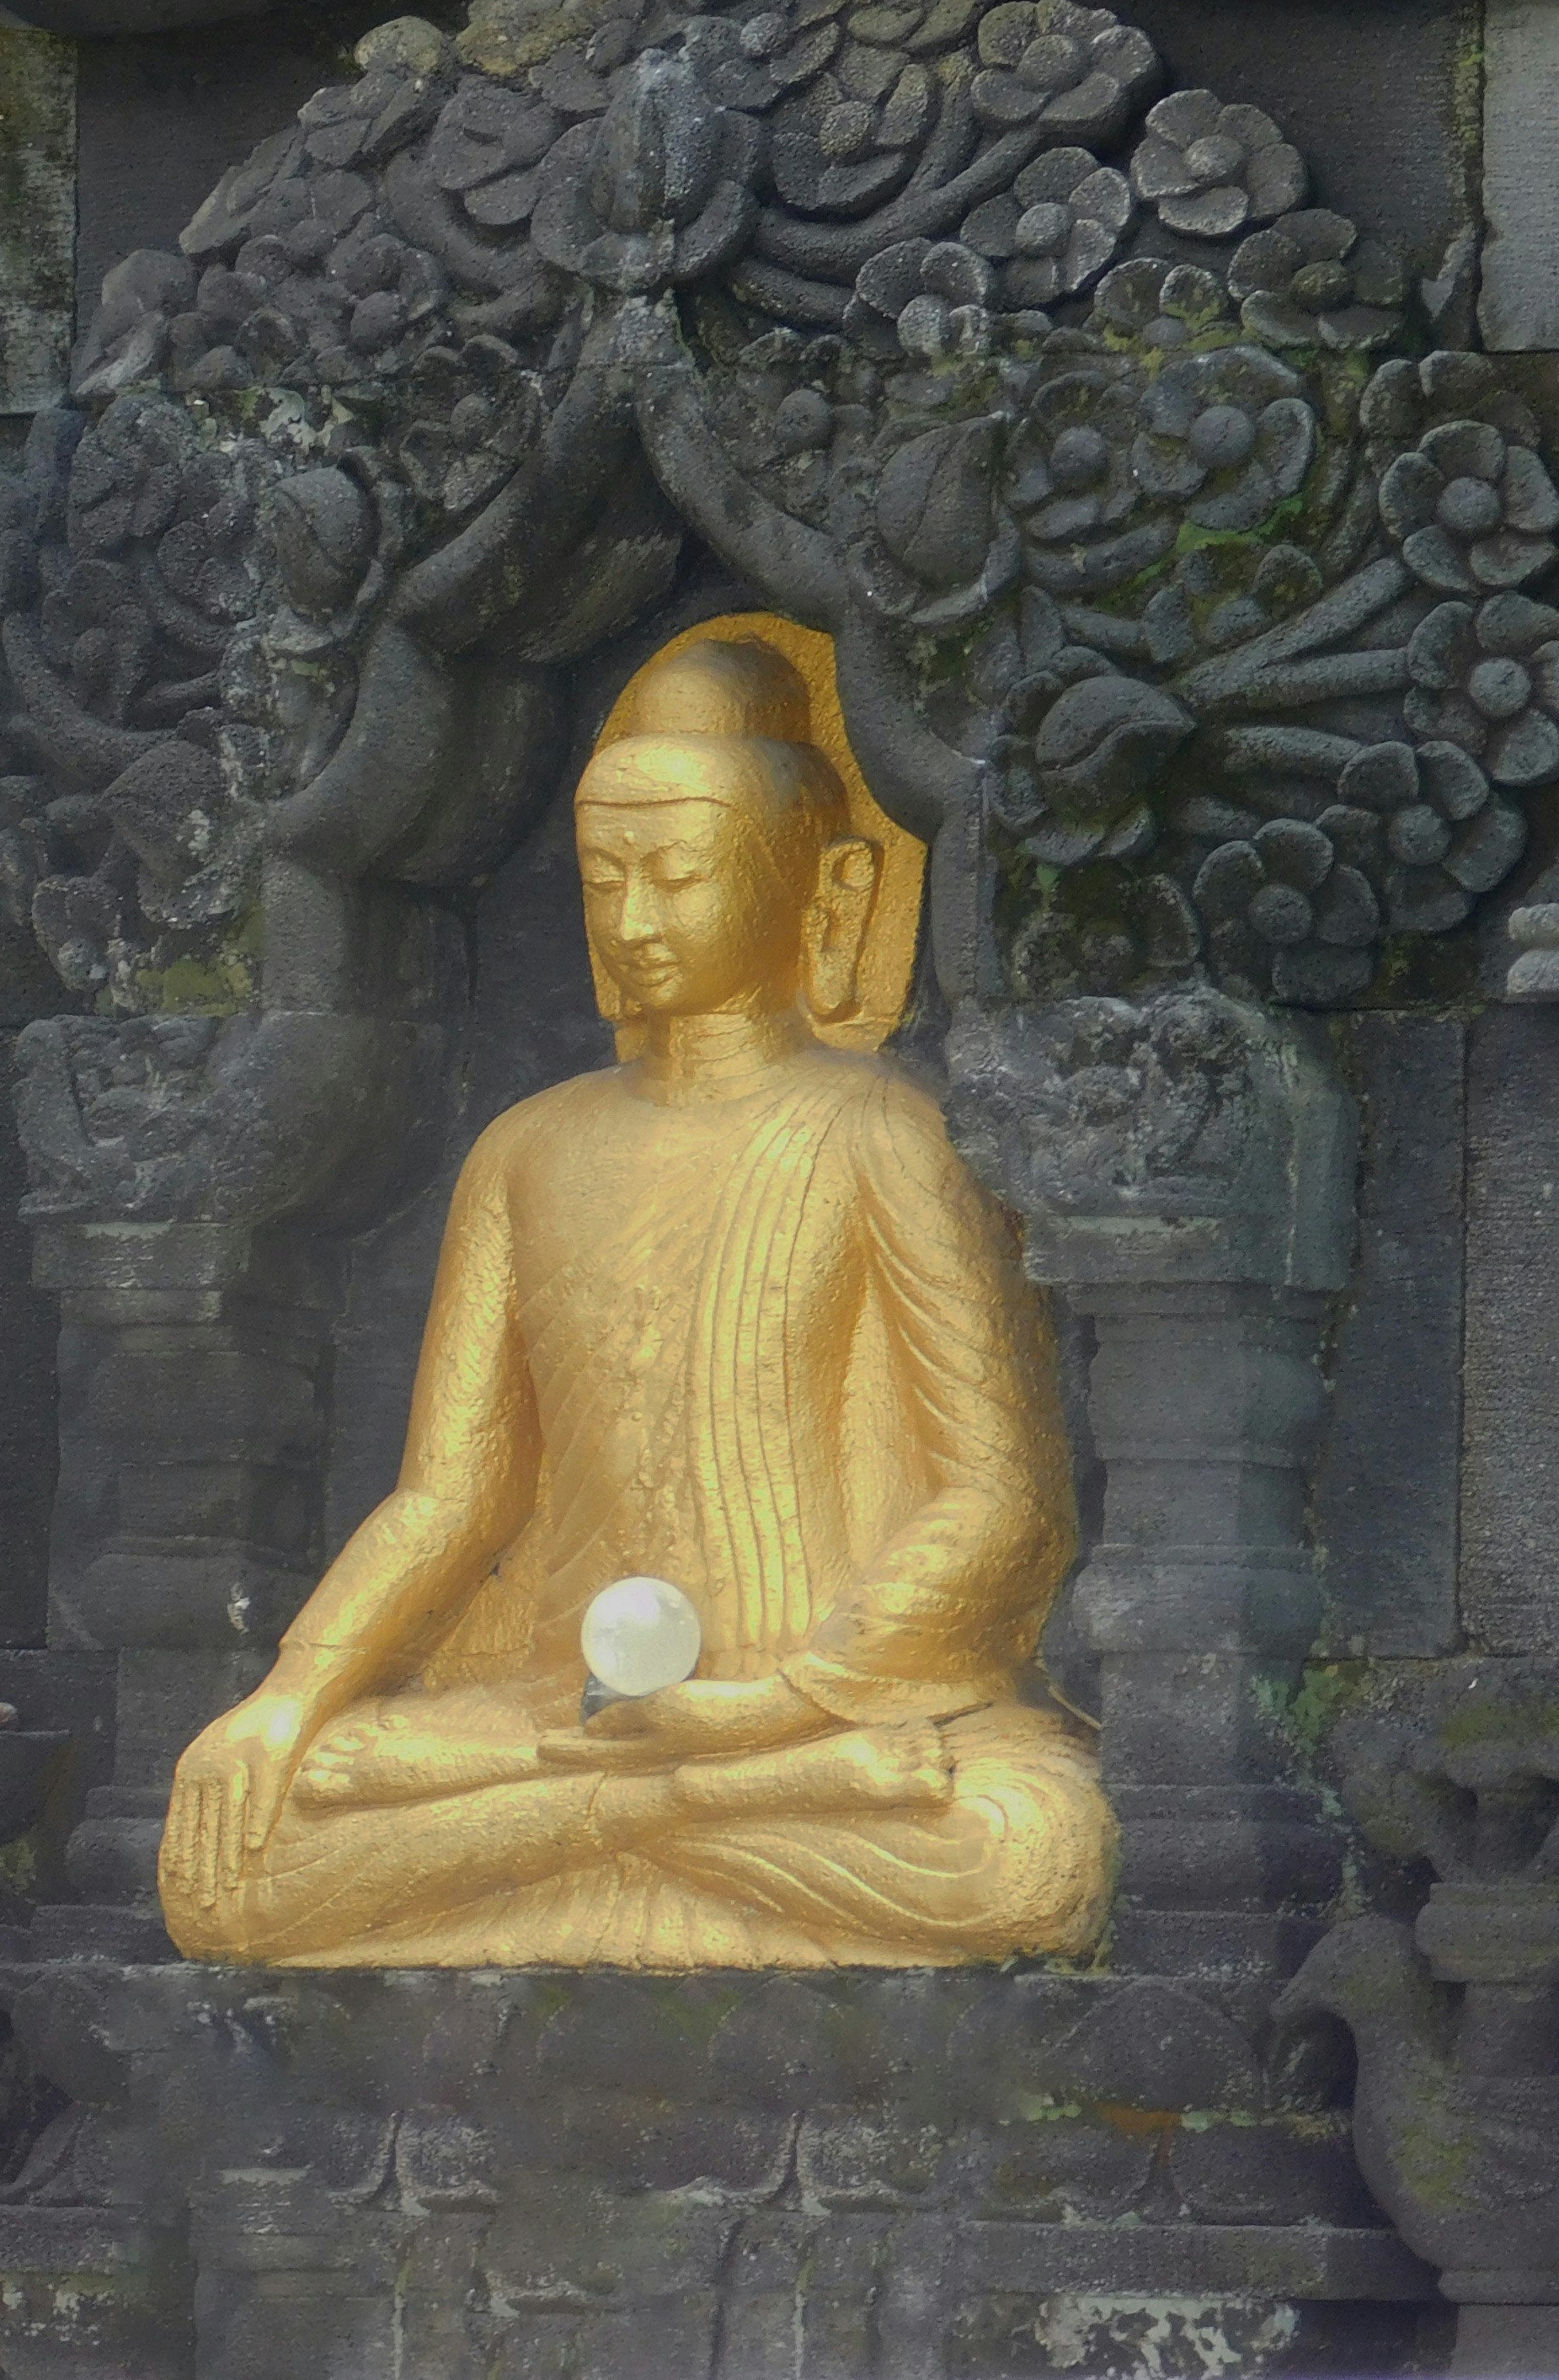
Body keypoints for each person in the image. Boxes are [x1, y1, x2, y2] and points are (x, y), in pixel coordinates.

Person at [161, 622, 1112, 1968]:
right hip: (573, 1717)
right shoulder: (529, 1148)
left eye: (680, 874)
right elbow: (452, 1490)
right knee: (228, 1867)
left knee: (1028, 1854)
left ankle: (616, 1832)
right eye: (606, 880)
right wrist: (288, 1697)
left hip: (824, 1714)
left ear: (822, 894)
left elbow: (998, 1501)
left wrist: (781, 1704)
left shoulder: (885, 1135)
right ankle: (663, 1822)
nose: (637, 919)